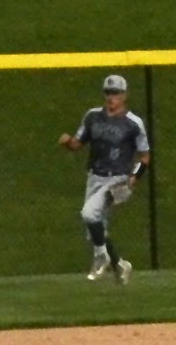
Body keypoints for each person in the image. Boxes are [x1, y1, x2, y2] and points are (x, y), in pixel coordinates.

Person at [58, 74, 150, 283]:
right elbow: (78, 144)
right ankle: (119, 264)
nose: (111, 97)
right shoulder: (92, 117)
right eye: (108, 92)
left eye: (116, 93)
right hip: (95, 178)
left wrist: (134, 178)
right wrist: (67, 142)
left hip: (117, 180)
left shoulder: (133, 123)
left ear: (124, 95)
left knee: (89, 214)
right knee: (96, 230)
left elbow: (145, 157)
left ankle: (102, 258)